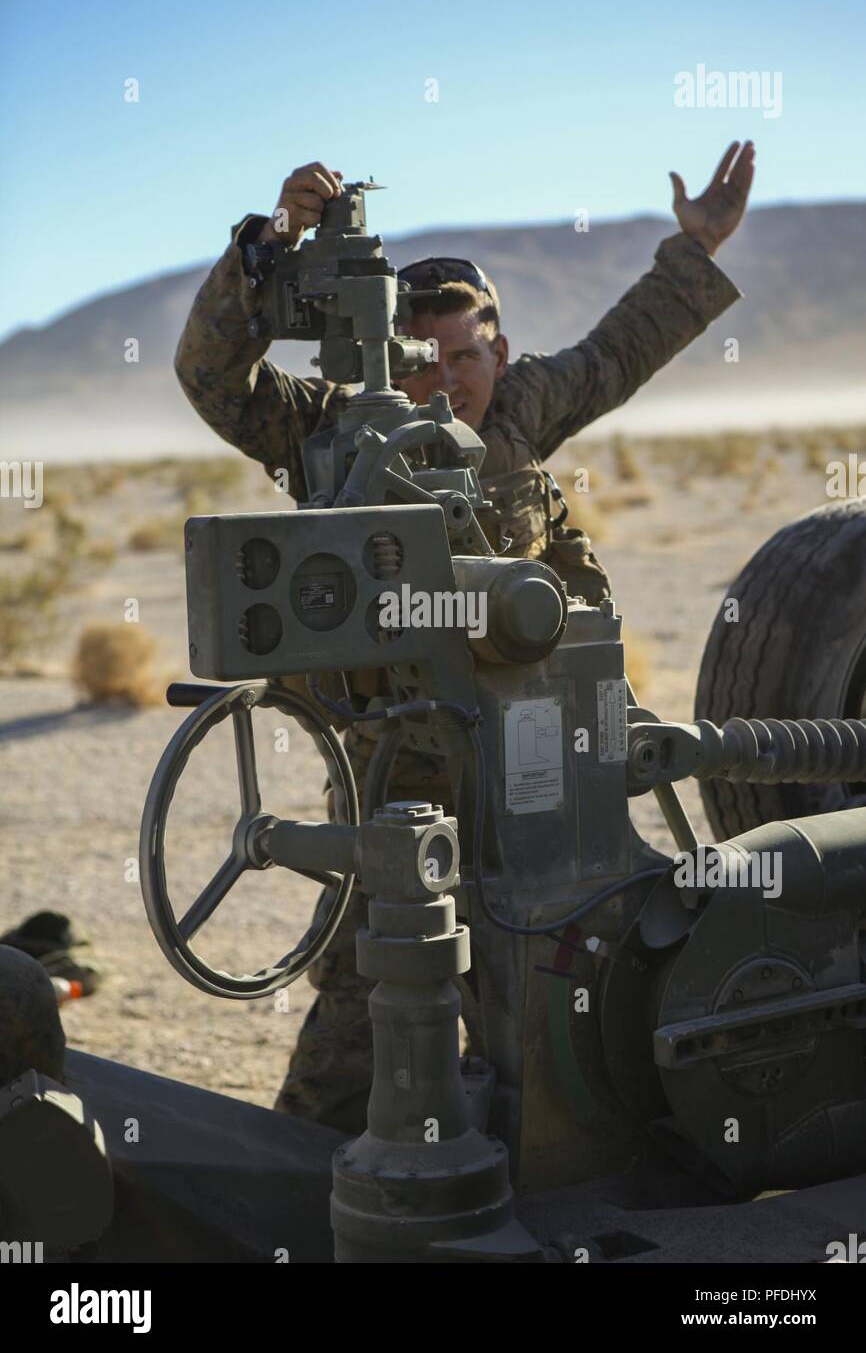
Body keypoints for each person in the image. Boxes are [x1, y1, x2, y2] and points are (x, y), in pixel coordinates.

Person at [174, 141, 754, 1132]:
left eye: (465, 356)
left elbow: (621, 347)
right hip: (388, 771)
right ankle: (312, 1180)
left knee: (539, 970)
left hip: (525, 760)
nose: (445, 384)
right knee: (366, 994)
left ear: (497, 349)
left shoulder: (523, 410)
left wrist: (690, 251)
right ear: (387, 356)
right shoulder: (322, 431)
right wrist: (269, 245)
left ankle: (533, 1151)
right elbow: (209, 370)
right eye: (422, 359)